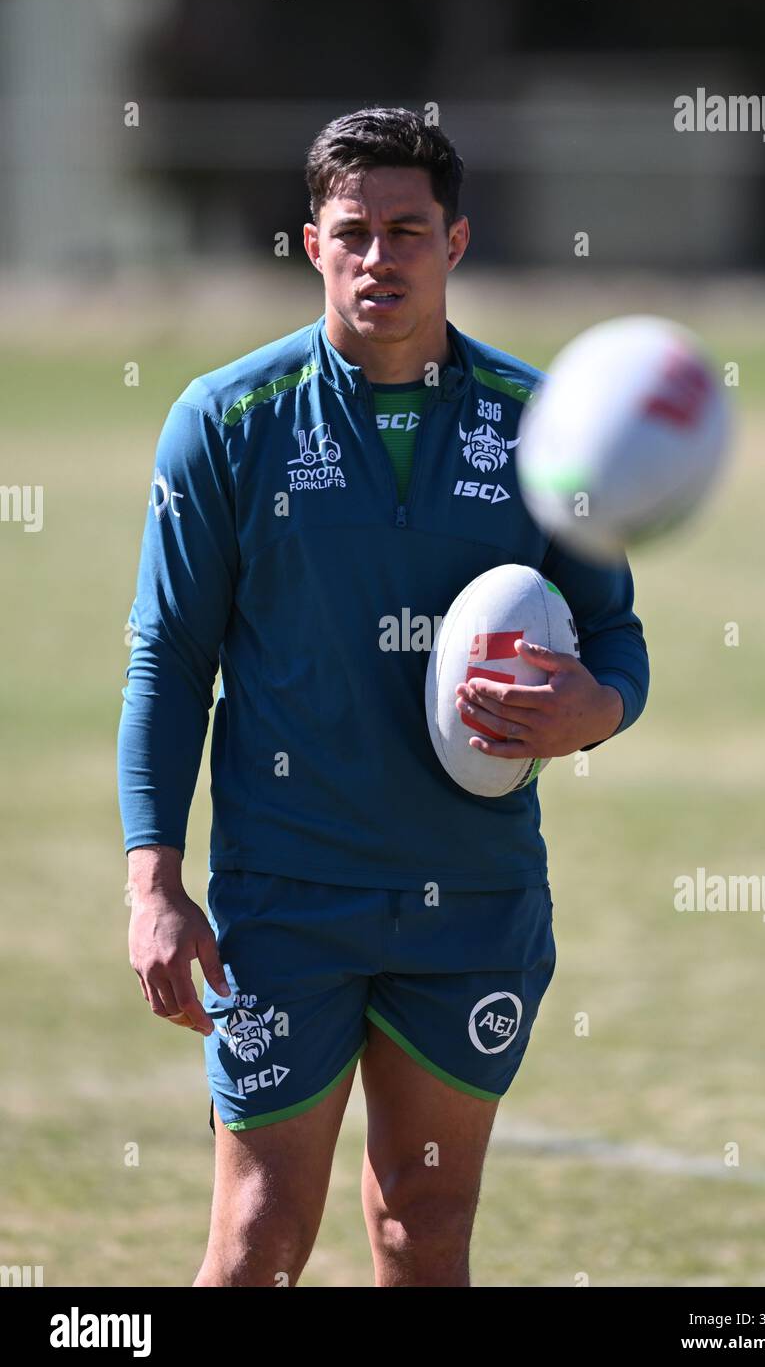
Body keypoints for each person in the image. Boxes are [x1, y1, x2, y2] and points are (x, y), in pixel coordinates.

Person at [118, 107, 649, 1287]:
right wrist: (153, 877)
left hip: (469, 903)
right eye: (351, 231)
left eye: (406, 230)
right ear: (310, 243)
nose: (378, 257)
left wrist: (592, 712)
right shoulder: (227, 422)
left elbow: (615, 641)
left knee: (425, 1224)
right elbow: (167, 660)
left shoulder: (542, 425)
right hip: (286, 897)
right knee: (258, 1239)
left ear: (454, 240)